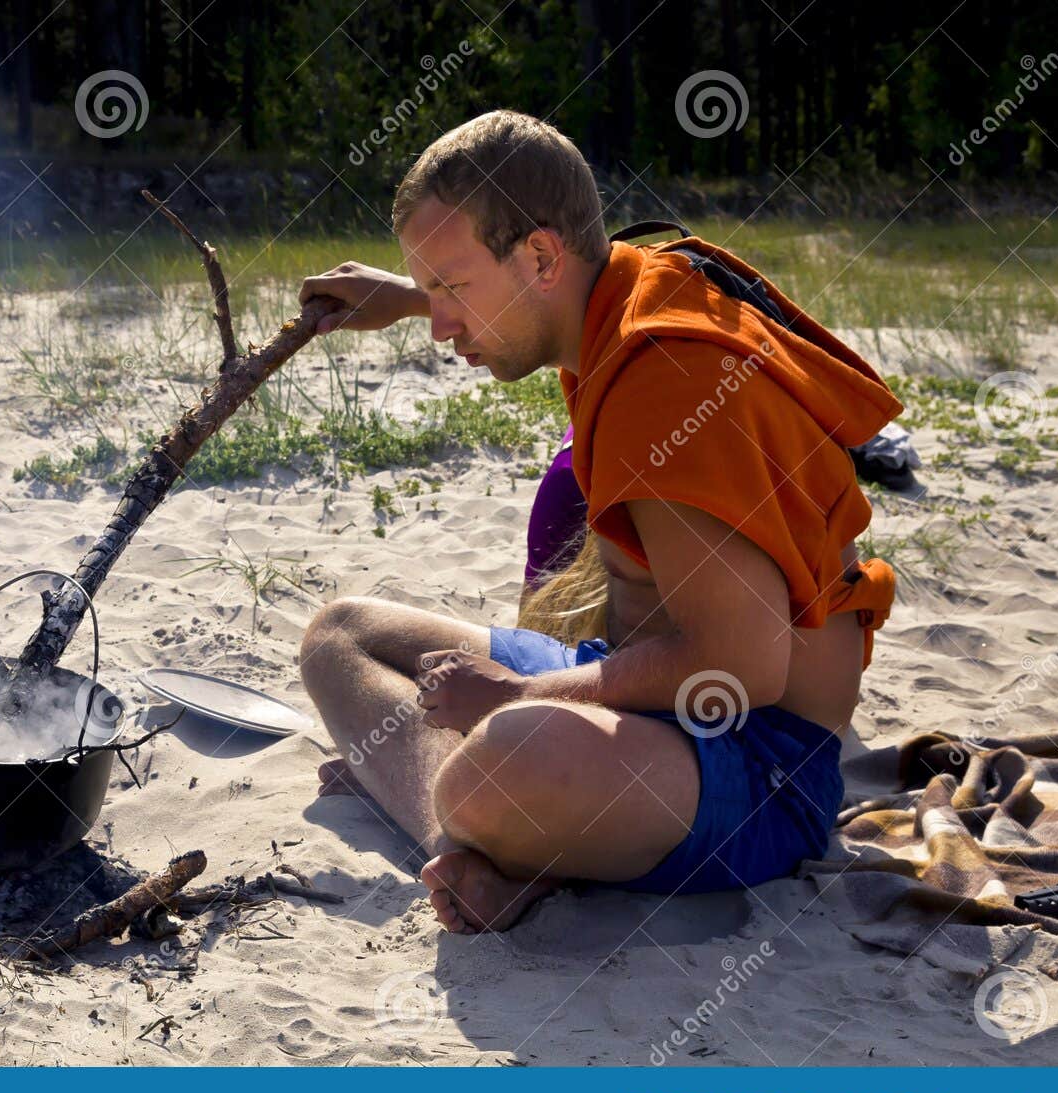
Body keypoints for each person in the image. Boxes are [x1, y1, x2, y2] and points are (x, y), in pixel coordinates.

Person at [295, 110, 901, 934]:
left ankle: (484, 833)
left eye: (453, 287)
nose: (442, 327)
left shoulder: (671, 379)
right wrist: (407, 296)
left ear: (542, 255)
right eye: (434, 289)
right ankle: (485, 848)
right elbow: (544, 303)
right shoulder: (619, 282)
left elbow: (743, 669)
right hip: (635, 688)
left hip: (756, 763)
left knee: (502, 761)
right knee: (341, 636)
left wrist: (523, 690)